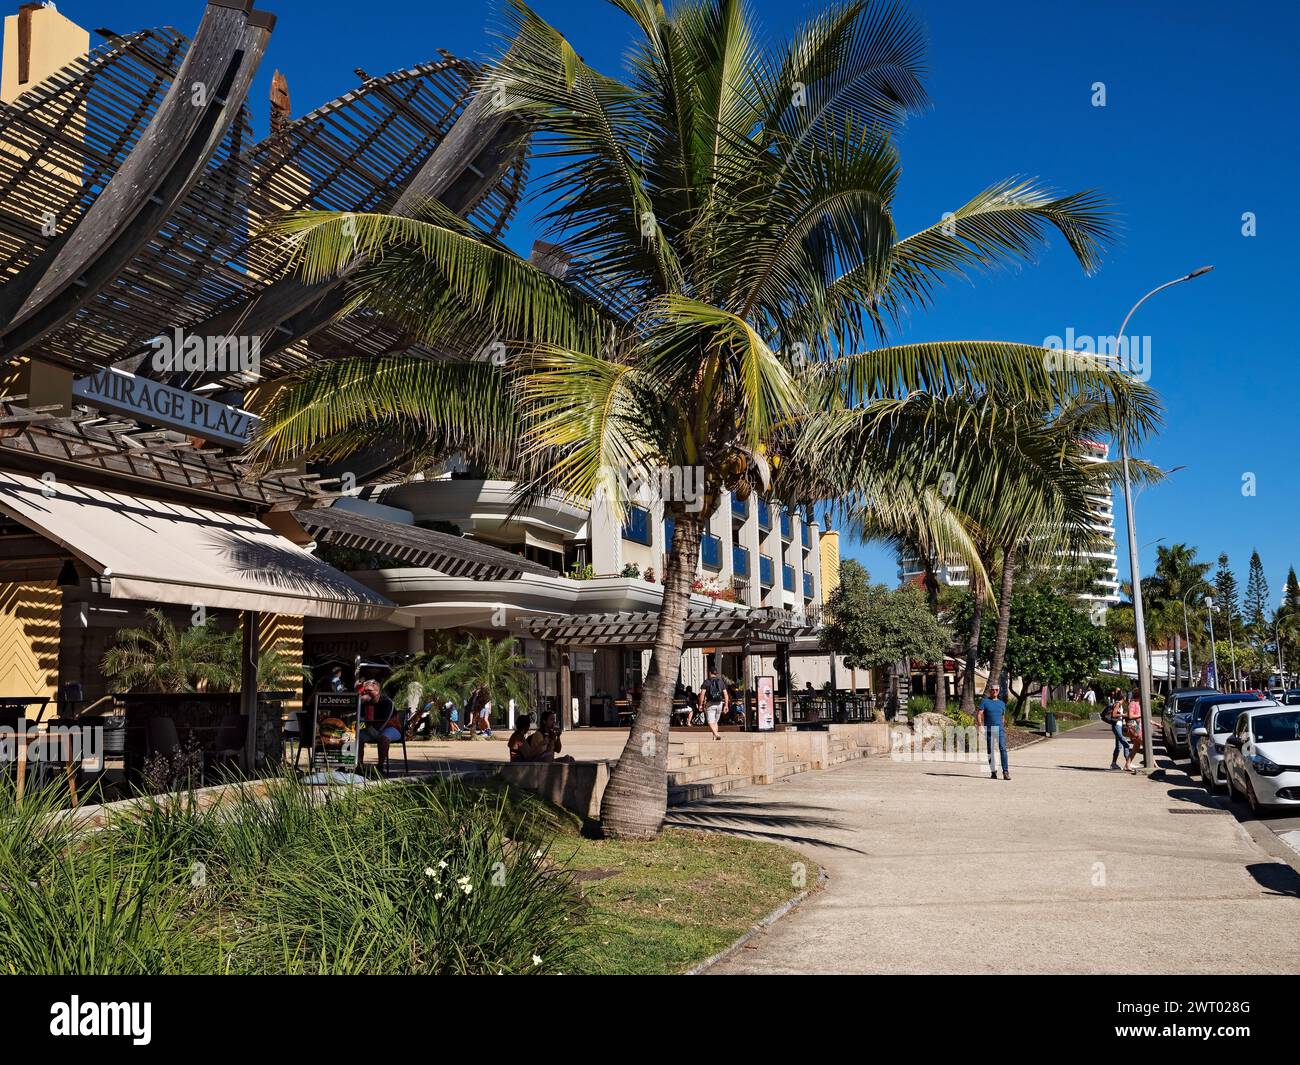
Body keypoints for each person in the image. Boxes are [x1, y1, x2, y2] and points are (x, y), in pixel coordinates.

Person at [358, 679, 400, 773]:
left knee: (384, 738)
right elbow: (361, 719)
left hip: (391, 727)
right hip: (372, 728)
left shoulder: (387, 702)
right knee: (357, 738)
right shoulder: (364, 703)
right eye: (365, 691)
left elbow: (384, 721)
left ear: (377, 691)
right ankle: (359, 765)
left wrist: (369, 728)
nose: (366, 693)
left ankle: (380, 766)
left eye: (369, 691)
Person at [977, 685, 1010, 780]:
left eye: (996, 690)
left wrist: (1002, 727)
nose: (994, 691)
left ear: (999, 691)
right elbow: (979, 714)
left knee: (1003, 749)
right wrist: (980, 726)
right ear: (990, 691)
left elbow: (1003, 717)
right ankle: (993, 772)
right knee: (990, 751)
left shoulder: (1002, 703)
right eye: (992, 690)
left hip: (999, 730)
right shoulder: (985, 702)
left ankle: (1005, 772)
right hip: (989, 730)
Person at [699, 668, 728, 740]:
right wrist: (726, 705)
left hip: (710, 703)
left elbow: (702, 695)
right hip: (719, 703)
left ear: (709, 673)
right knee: (715, 721)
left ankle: (716, 734)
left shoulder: (706, 682)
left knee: (710, 722)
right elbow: (726, 694)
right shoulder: (721, 682)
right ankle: (714, 738)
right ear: (716, 673)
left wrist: (700, 704)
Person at [1102, 692, 1129, 770]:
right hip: (1116, 725)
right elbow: (1114, 715)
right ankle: (1128, 763)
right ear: (1123, 697)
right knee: (1126, 744)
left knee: (1118, 746)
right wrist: (1123, 715)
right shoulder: (1118, 704)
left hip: (1118, 726)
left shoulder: (1117, 704)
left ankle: (1113, 764)